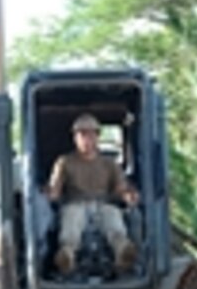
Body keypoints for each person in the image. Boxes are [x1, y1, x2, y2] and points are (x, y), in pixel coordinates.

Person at [47, 113, 138, 275]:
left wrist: (127, 195)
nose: (87, 140)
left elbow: (120, 188)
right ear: (75, 138)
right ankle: (67, 255)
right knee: (71, 221)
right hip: (75, 204)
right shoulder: (64, 162)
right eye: (82, 135)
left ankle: (123, 251)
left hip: (103, 204)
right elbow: (55, 189)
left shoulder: (110, 164)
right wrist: (51, 193)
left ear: (97, 137)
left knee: (113, 218)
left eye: (91, 134)